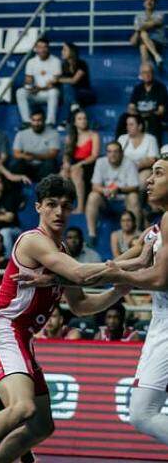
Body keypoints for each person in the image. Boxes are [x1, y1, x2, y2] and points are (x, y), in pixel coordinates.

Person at [0, 175, 129, 462]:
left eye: (66, 206)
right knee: (23, 408)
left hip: (22, 339)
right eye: (52, 205)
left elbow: (80, 306)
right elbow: (78, 274)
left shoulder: (61, 251)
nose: (59, 212)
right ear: (39, 207)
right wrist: (131, 266)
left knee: (42, 426)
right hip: (2, 330)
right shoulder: (33, 241)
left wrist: (119, 289)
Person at [83, 157, 168, 446]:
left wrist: (123, 275)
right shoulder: (155, 230)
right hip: (161, 324)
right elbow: (110, 267)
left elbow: (160, 280)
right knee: (144, 413)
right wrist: (58, 277)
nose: (149, 180)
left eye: (158, 174)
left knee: (142, 414)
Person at [85, 141, 142, 247]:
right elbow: (94, 186)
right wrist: (104, 190)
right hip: (107, 201)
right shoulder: (100, 162)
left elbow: (135, 187)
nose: (113, 154)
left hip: (124, 202)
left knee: (133, 197)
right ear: (106, 153)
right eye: (110, 152)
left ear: (121, 153)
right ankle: (91, 234)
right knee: (93, 196)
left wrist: (118, 189)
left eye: (116, 151)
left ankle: (136, 234)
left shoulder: (129, 162)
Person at [60, 109, 99, 214]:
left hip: (88, 163)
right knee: (63, 173)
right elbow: (66, 155)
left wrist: (79, 164)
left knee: (76, 172)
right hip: (74, 162)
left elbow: (94, 155)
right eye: (80, 119)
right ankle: (64, 205)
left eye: (85, 118)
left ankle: (81, 207)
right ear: (75, 122)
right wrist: (66, 163)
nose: (83, 121)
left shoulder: (93, 135)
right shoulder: (70, 136)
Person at [16, 38, 62, 126]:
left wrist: (39, 88)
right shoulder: (31, 62)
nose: (42, 50)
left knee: (54, 92)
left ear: (48, 48)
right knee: (20, 92)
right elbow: (28, 80)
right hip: (35, 93)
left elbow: (54, 83)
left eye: (45, 47)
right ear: (36, 49)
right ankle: (27, 122)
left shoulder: (56, 61)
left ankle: (50, 122)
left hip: (48, 93)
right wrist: (29, 87)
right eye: (40, 47)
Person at [8, 109, 60, 182]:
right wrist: (25, 156)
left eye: (39, 120)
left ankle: (45, 189)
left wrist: (35, 156)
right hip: (27, 165)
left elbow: (53, 154)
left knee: (50, 163)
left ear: (44, 120)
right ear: (30, 120)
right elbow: (16, 153)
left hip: (43, 166)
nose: (36, 123)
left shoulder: (53, 133)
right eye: (34, 120)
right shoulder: (21, 134)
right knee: (16, 164)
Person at [125, 62, 167, 142]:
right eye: (144, 72)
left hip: (154, 116)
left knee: (153, 119)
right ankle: (120, 147)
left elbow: (161, 110)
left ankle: (154, 147)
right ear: (141, 75)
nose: (147, 75)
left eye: (149, 72)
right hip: (139, 116)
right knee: (124, 118)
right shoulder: (138, 88)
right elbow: (131, 107)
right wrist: (135, 114)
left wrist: (147, 115)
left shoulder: (160, 87)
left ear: (153, 73)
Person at [56, 42, 94, 122]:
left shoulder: (82, 64)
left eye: (65, 50)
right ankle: (75, 108)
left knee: (67, 88)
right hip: (72, 95)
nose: (62, 52)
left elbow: (74, 80)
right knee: (67, 90)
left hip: (85, 93)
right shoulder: (64, 65)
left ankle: (66, 120)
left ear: (72, 52)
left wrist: (58, 79)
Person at [119, 113, 159, 185]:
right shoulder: (122, 138)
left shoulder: (150, 139)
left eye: (131, 124)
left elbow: (152, 159)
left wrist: (135, 167)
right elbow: (117, 156)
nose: (128, 127)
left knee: (141, 181)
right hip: (124, 168)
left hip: (144, 169)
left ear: (140, 126)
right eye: (127, 124)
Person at [131, 0, 165, 65]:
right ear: (144, 3)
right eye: (147, 0)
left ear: (155, 3)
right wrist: (141, 28)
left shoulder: (160, 14)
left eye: (152, 0)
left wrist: (141, 26)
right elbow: (144, 27)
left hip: (158, 41)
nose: (149, 2)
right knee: (143, 42)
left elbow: (151, 24)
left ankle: (146, 68)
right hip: (145, 40)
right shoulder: (138, 15)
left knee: (142, 35)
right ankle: (156, 57)